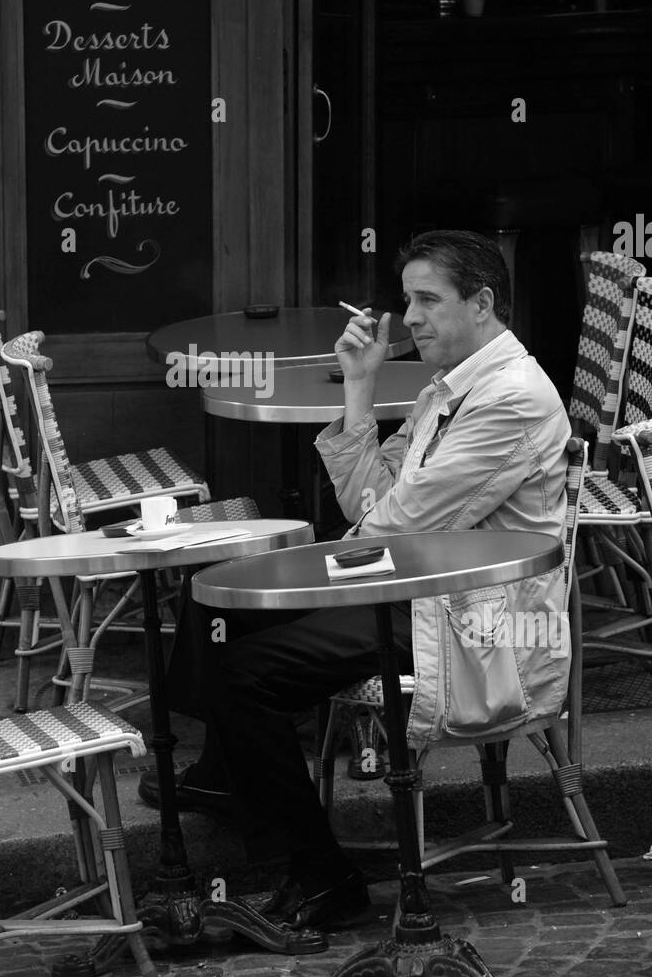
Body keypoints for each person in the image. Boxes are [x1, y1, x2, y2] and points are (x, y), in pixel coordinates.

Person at [139, 231, 572, 930]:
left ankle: (320, 876)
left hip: (470, 622)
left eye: (428, 300)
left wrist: (319, 569)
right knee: (212, 599)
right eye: (407, 300)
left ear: (483, 303)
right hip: (416, 588)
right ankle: (227, 775)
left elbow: (392, 524)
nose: (411, 319)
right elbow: (371, 502)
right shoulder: (450, 386)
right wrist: (362, 382)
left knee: (247, 674)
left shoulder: (507, 399)